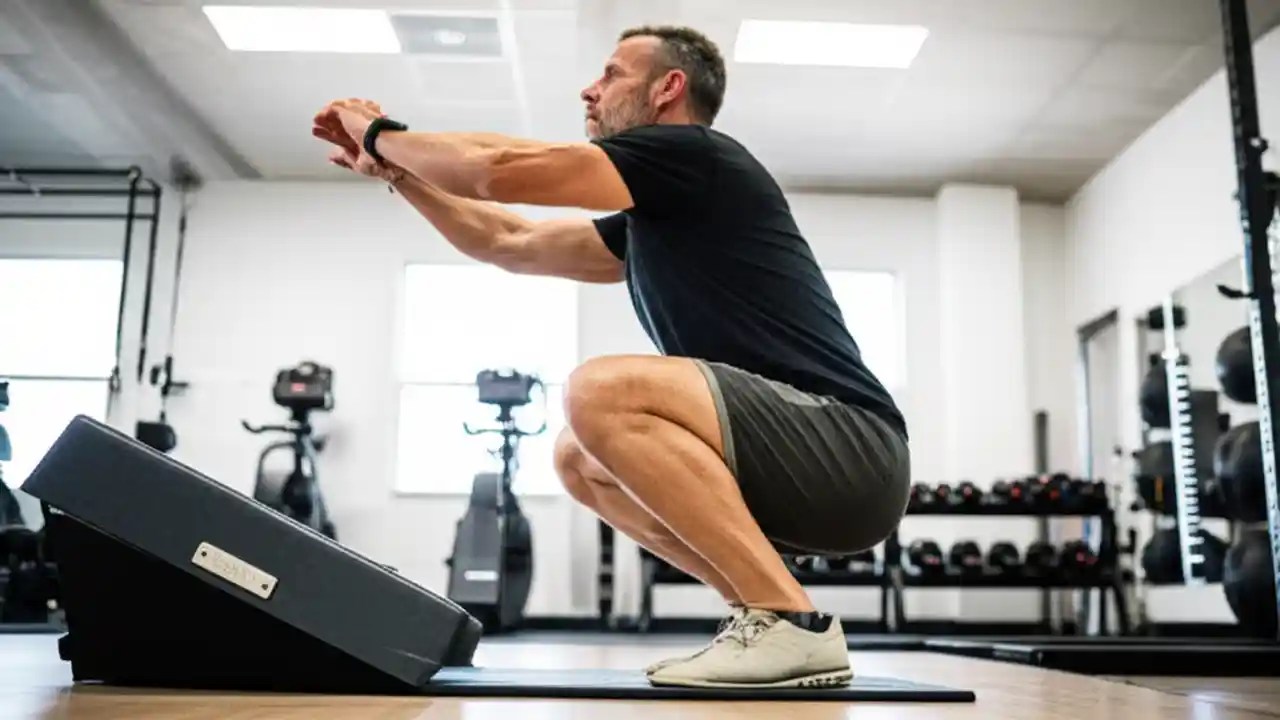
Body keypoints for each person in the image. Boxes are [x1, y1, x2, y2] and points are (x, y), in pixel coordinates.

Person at [312, 25, 910, 690]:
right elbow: (507, 239)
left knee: (601, 390)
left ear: (667, 89)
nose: (589, 90)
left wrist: (377, 132)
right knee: (579, 458)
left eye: (612, 75)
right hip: (797, 467)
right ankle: (763, 615)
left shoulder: (698, 157)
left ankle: (789, 621)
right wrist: (401, 174)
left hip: (851, 448)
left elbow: (494, 171)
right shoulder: (658, 216)